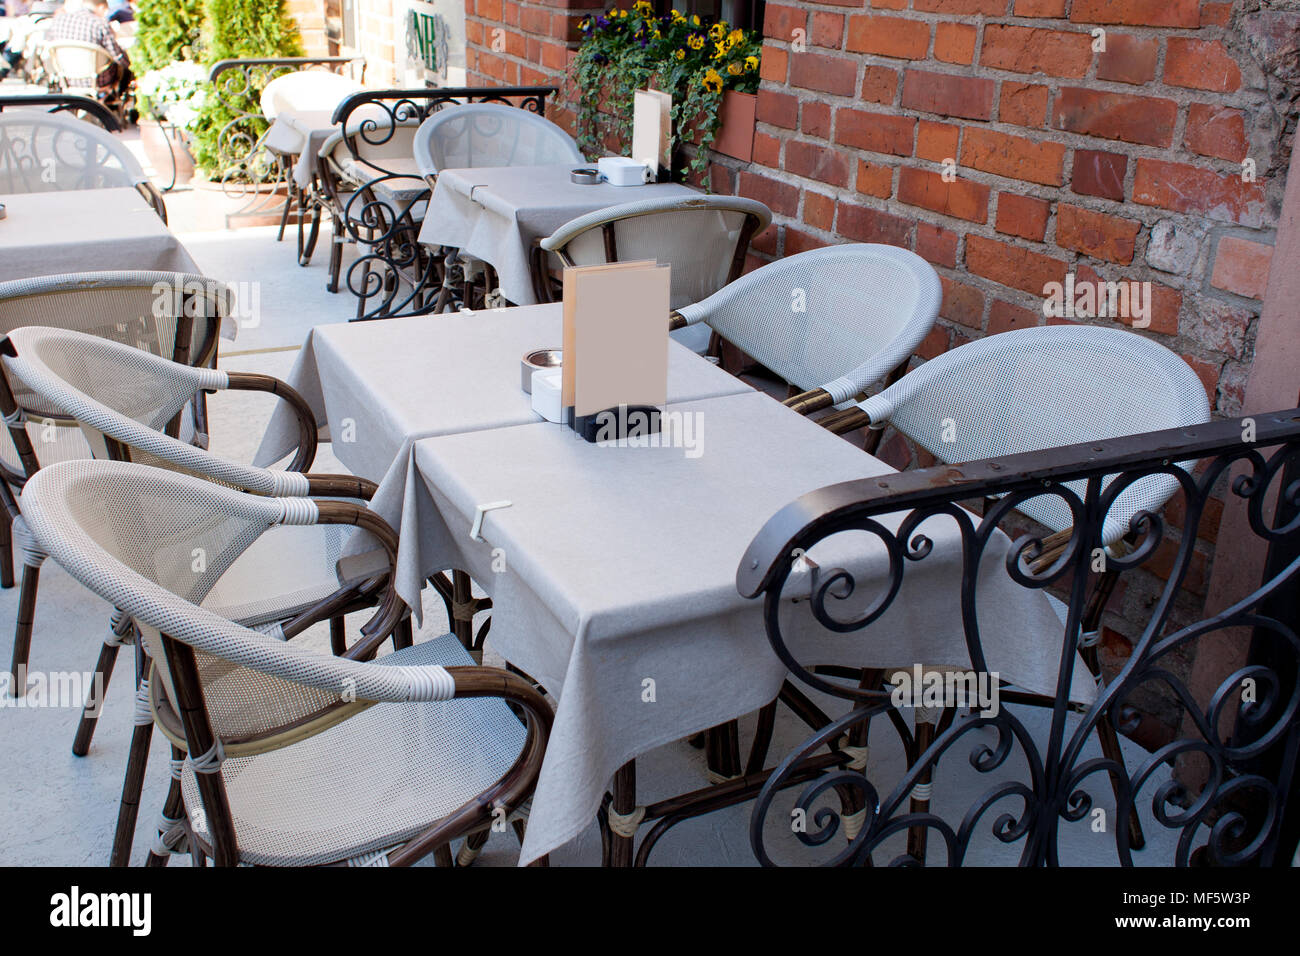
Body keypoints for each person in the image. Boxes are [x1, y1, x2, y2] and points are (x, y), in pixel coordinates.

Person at [43, 0, 132, 108]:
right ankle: (114, 106)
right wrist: (131, 65)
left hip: (66, 77)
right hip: (96, 79)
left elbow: (47, 46)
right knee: (123, 68)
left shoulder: (59, 20)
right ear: (100, 7)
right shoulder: (100, 23)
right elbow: (117, 55)